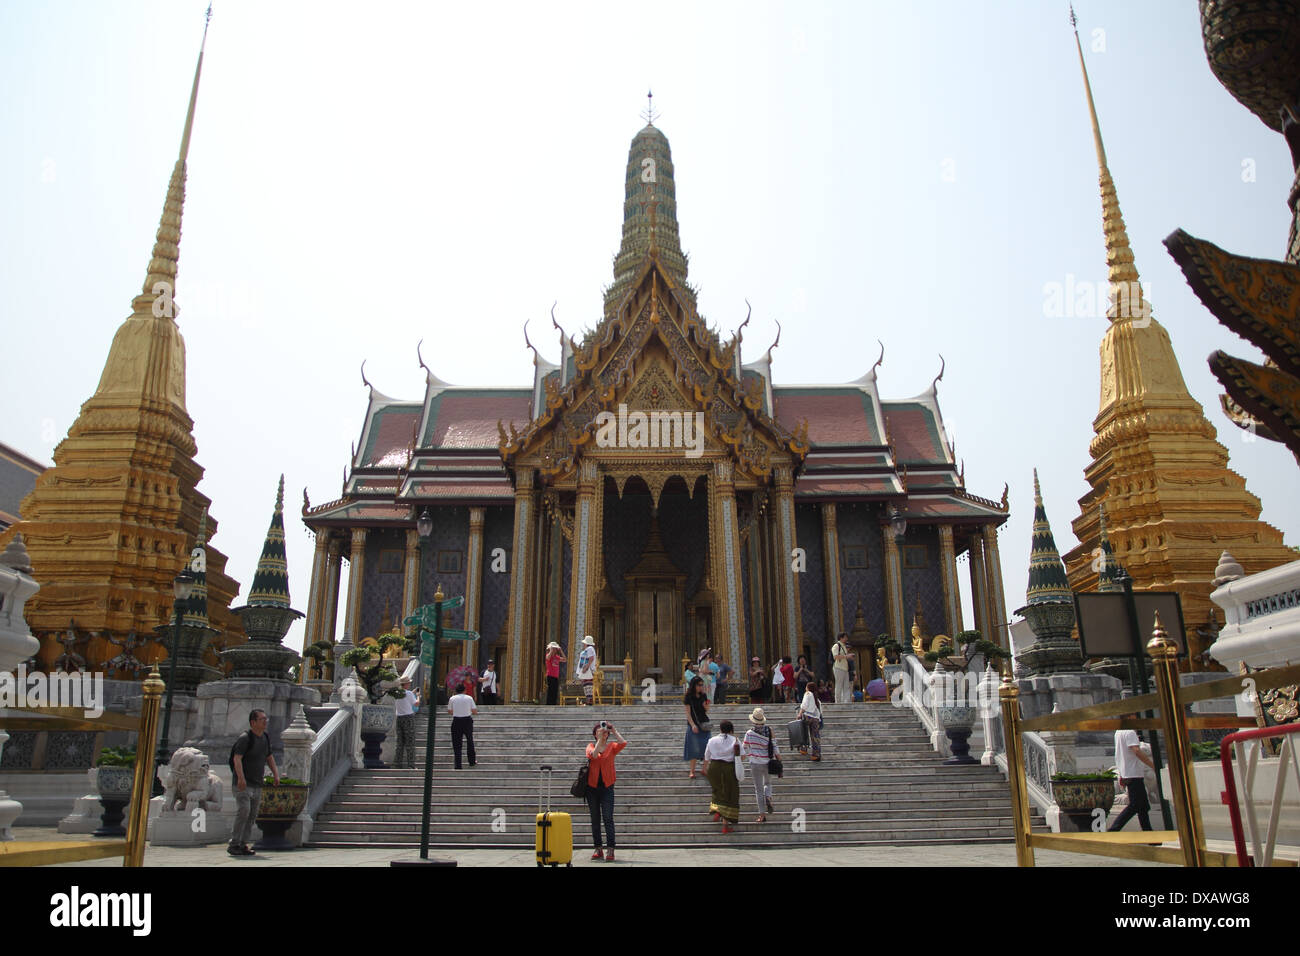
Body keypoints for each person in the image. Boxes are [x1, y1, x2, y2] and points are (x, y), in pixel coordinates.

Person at [229, 709, 279, 857]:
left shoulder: (265, 737)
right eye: (262, 719)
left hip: (257, 784)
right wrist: (241, 778)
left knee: (252, 815)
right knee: (243, 810)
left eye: (266, 719)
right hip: (243, 784)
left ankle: (243, 844)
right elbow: (237, 758)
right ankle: (234, 843)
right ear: (253, 722)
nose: (265, 722)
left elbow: (269, 757)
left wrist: (276, 774)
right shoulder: (245, 738)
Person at [585, 720, 627, 862]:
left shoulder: (612, 747)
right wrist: (599, 741)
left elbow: (623, 743)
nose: (602, 733)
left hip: (607, 787)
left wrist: (613, 730)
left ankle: (610, 849)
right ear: (595, 734)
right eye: (599, 731)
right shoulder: (590, 746)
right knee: (595, 819)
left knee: (608, 818)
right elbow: (594, 755)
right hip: (592, 788)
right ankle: (598, 848)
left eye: (604, 732)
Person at [1108, 728, 1155, 831]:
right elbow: (1136, 750)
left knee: (1143, 806)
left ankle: (1150, 835)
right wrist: (1152, 765)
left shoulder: (1118, 732)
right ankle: (1113, 830)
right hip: (1133, 773)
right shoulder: (1130, 732)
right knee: (1135, 805)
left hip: (1128, 772)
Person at [702, 720, 742, 833]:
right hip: (728, 768)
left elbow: (706, 756)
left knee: (717, 791)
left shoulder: (712, 740)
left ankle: (717, 810)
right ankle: (725, 825)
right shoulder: (735, 741)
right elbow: (742, 756)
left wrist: (704, 769)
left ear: (720, 729)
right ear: (731, 730)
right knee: (729, 794)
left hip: (714, 768)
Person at [742, 707, 780, 823]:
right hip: (767, 762)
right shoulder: (769, 730)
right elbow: (775, 746)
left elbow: (744, 748)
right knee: (767, 783)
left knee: (758, 790)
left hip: (755, 763)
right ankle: (768, 796)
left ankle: (762, 815)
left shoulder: (749, 733)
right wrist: (779, 759)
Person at [683, 676, 711, 778]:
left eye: (702, 685)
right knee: (693, 748)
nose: (701, 687)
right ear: (694, 685)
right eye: (699, 685)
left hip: (704, 723)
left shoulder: (703, 695)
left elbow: (706, 710)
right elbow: (688, 713)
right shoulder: (688, 697)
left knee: (707, 748)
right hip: (694, 725)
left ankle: (704, 769)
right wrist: (693, 725)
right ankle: (692, 771)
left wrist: (707, 705)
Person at [447, 683, 478, 769]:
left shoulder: (452, 698)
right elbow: (474, 710)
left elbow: (449, 711)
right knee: (470, 741)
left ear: (456, 691)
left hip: (456, 720)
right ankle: (471, 761)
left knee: (457, 744)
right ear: (465, 690)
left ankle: (458, 764)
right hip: (467, 720)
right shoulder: (469, 698)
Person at [393, 676, 419, 768]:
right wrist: (418, 696)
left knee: (400, 742)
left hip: (399, 717)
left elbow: (405, 697)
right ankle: (411, 764)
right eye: (409, 683)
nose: (410, 684)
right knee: (410, 742)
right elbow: (416, 703)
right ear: (406, 684)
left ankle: (397, 763)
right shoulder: (409, 694)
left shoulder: (397, 693)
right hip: (408, 718)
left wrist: (413, 693)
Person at [797, 679, 823, 761]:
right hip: (816, 718)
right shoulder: (817, 699)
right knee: (815, 736)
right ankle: (816, 754)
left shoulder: (808, 694)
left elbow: (804, 705)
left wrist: (800, 713)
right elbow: (820, 711)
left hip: (807, 716)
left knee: (803, 732)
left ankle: (803, 748)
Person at [831, 633, 854, 704]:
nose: (846, 639)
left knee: (846, 686)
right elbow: (835, 657)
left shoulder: (843, 646)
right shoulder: (836, 646)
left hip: (845, 668)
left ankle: (846, 702)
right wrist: (847, 656)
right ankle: (838, 702)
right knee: (839, 685)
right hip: (838, 668)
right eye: (845, 637)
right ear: (841, 638)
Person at [576, 635, 598, 705]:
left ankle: (589, 701)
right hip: (585, 670)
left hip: (587, 670)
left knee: (588, 686)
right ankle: (588, 700)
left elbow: (591, 658)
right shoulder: (587, 650)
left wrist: (586, 667)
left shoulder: (590, 648)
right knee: (586, 686)